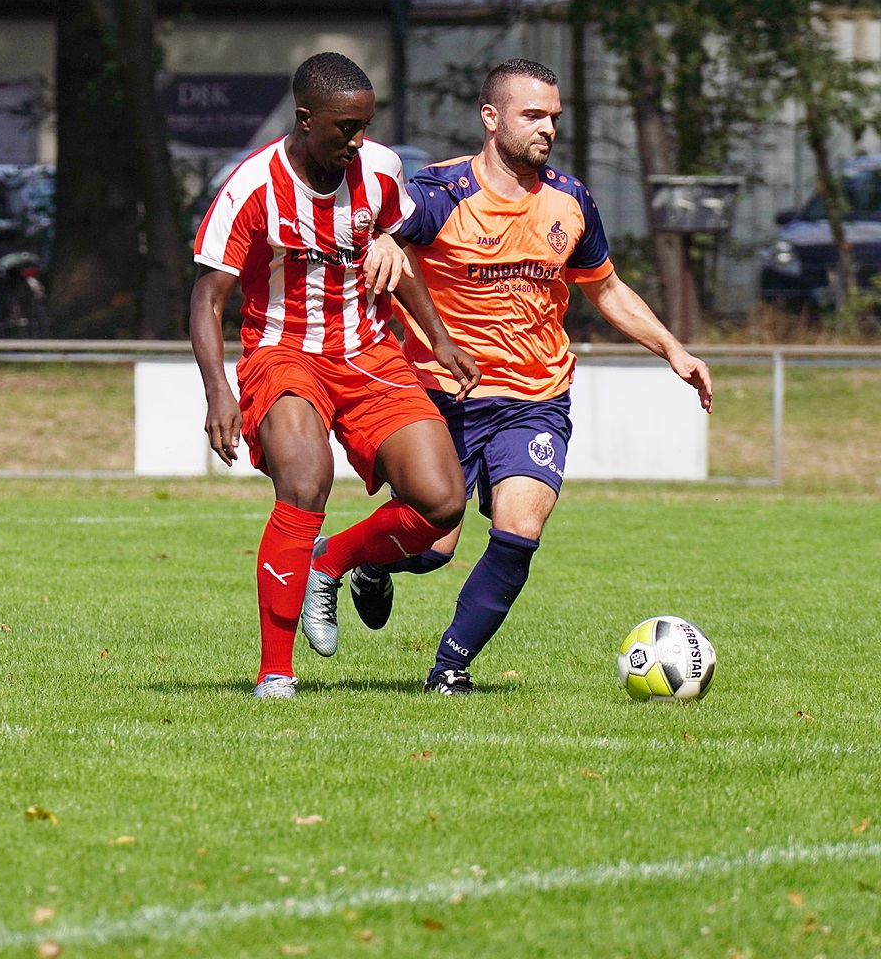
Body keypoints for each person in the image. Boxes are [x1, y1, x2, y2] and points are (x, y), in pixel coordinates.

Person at [301, 58, 713, 694]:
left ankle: (449, 669)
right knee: (434, 546)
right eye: (533, 115)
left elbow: (605, 288)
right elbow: (384, 229)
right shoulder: (438, 193)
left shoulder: (570, 201)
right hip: (443, 395)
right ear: (491, 119)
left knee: (520, 529)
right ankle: (350, 562)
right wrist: (385, 240)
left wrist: (673, 350)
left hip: (536, 399)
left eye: (553, 116)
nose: (547, 128)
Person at [191, 52, 480, 699]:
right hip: (282, 352)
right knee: (305, 479)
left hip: (371, 352)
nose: (357, 140)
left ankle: (334, 560)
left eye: (364, 126)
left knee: (442, 502)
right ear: (304, 119)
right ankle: (275, 674)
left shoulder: (379, 170)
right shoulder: (251, 187)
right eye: (344, 128)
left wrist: (438, 339)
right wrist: (218, 391)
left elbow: (397, 259)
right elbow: (207, 299)